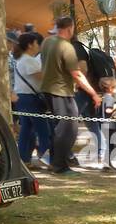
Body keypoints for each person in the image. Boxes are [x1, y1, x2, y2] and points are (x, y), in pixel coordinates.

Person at [40, 16, 100, 174]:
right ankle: (60, 166)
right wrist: (94, 93)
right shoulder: (66, 47)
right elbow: (77, 74)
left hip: (47, 90)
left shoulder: (47, 42)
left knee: (59, 128)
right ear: (70, 28)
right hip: (61, 92)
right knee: (69, 129)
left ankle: (55, 162)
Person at [12, 32, 52, 168]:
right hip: (30, 99)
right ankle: (47, 159)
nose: (38, 46)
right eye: (36, 43)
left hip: (21, 98)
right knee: (43, 130)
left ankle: (23, 159)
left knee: (26, 130)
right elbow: (43, 77)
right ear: (30, 45)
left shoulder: (21, 59)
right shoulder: (28, 60)